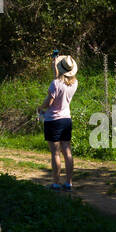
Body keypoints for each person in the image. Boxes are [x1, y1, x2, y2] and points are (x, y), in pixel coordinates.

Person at [37, 52, 78, 192]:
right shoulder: (75, 83)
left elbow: (49, 101)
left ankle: (55, 183)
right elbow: (60, 83)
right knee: (67, 151)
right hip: (66, 120)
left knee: (55, 153)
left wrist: (40, 107)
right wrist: (55, 67)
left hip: (53, 120)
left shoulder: (55, 84)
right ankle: (69, 183)